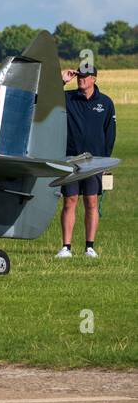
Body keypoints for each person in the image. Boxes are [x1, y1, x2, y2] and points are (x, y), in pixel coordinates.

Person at [56, 62, 117, 258]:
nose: (81, 79)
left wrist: (105, 163)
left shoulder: (105, 103)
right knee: (70, 201)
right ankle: (66, 247)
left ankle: (89, 247)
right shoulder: (67, 98)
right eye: (79, 76)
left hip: (95, 162)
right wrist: (61, 82)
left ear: (94, 79)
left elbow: (110, 134)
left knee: (91, 202)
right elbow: (43, 101)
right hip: (71, 159)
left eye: (85, 76)